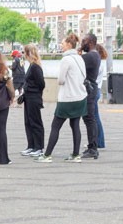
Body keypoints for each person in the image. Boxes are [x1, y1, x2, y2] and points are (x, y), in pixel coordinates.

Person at [39, 33, 87, 162]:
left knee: (56, 126)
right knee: (75, 125)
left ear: (69, 45)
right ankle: (76, 154)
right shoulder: (80, 58)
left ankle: (47, 155)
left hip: (67, 98)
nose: (61, 45)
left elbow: (60, 80)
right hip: (80, 96)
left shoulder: (66, 59)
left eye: (63, 43)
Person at [79, 32, 103, 160]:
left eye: (84, 41)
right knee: (90, 118)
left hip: (89, 90)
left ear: (91, 42)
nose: (82, 44)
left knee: (89, 119)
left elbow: (77, 63)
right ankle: (92, 146)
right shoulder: (95, 55)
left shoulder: (90, 57)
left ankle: (93, 147)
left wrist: (78, 52)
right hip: (92, 89)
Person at [19, 44, 46, 157]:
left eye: (24, 53)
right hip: (28, 97)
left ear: (29, 53)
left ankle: (39, 147)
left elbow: (41, 83)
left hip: (34, 97)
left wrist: (33, 90)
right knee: (28, 122)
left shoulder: (35, 67)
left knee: (35, 122)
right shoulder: (31, 66)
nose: (23, 55)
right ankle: (31, 145)